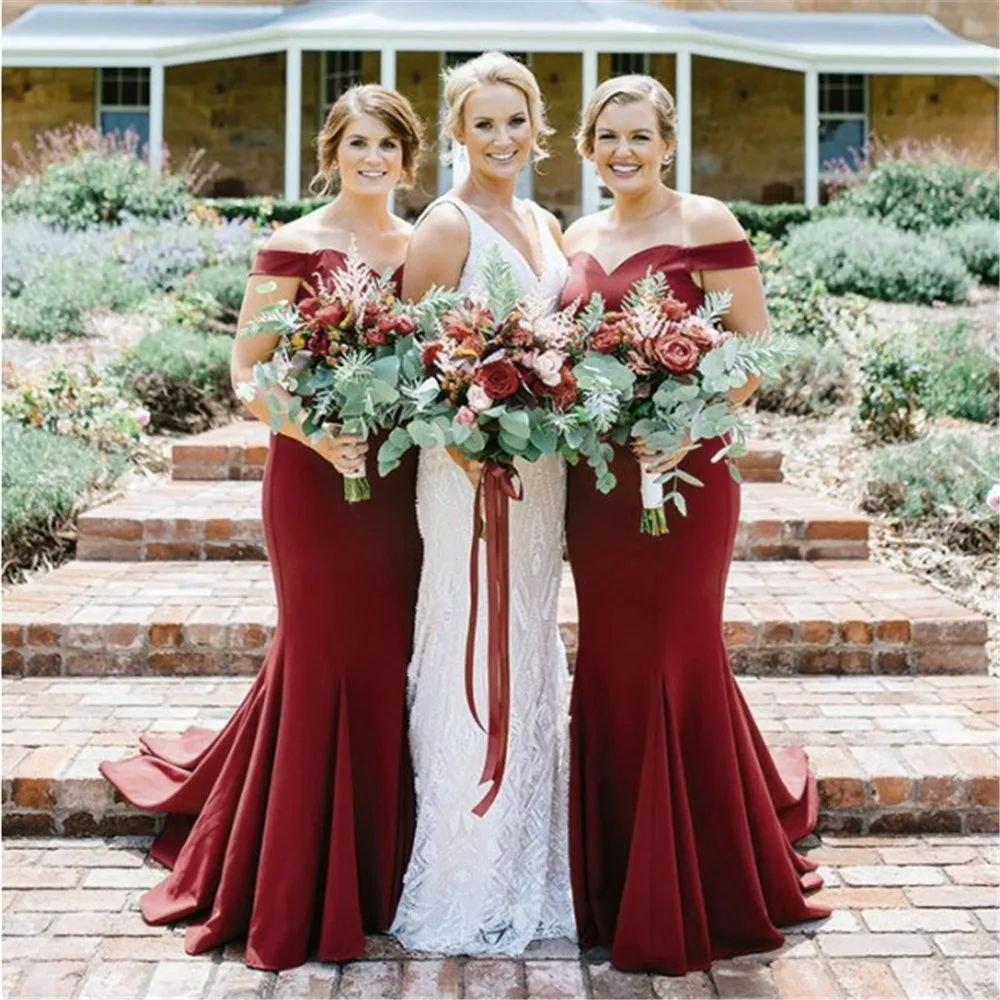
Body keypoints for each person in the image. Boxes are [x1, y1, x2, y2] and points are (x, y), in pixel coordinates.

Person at [100, 84, 426, 972]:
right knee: (322, 655)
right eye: (358, 142)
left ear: (408, 156)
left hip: (397, 484)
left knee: (390, 657)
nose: (373, 159)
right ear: (331, 150)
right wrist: (313, 430)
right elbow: (246, 368)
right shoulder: (292, 245)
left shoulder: (425, 246)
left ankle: (383, 863)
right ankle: (296, 871)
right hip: (314, 480)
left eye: (389, 144)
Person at [559, 74, 830, 973]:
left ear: (667, 143)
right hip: (598, 485)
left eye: (639, 136)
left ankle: (699, 876)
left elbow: (751, 351)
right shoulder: (576, 236)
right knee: (609, 657)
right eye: (608, 137)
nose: (623, 152)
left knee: (677, 653)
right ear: (589, 146)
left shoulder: (707, 221)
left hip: (687, 474)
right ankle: (612, 874)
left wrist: (687, 427)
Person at [389, 51, 574, 956]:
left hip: (541, 478)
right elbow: (407, 364)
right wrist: (461, 441)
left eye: (516, 120)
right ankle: (464, 869)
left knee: (531, 637)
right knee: (470, 630)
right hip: (463, 475)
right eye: (483, 122)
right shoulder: (446, 224)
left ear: (538, 125)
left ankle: (530, 864)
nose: (502, 137)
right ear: (457, 130)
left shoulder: (545, 221)